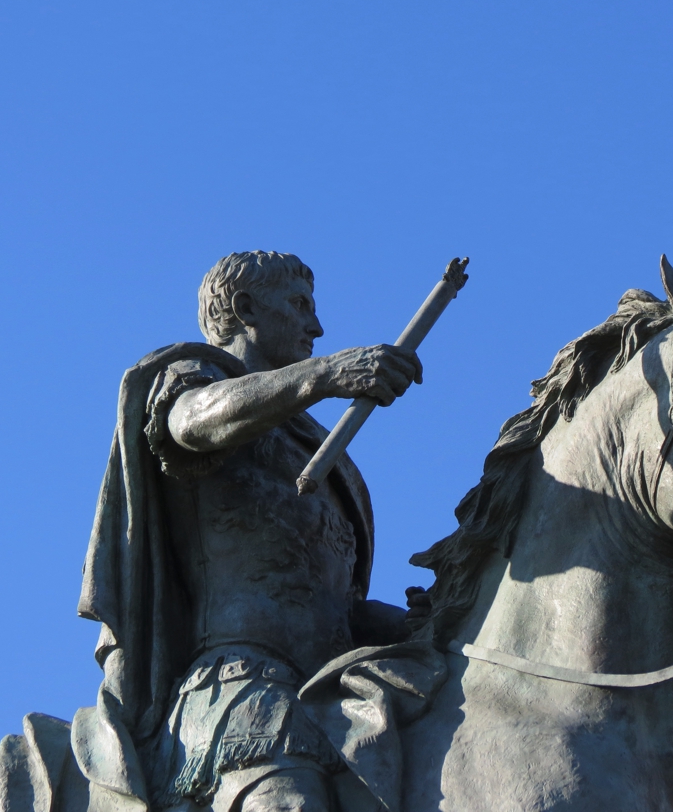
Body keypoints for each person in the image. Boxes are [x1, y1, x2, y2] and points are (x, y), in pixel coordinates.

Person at [70, 251, 429, 812]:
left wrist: (432, 624)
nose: (316, 326)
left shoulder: (319, 456)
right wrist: (325, 374)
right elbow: (192, 422)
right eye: (299, 306)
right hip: (242, 685)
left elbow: (340, 609)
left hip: (332, 690)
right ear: (244, 308)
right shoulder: (190, 377)